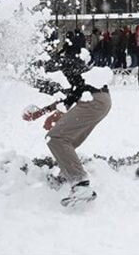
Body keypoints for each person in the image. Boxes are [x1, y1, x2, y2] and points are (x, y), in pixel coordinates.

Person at [22, 33, 111, 207]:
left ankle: (80, 184)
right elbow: (73, 93)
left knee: (56, 138)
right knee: (65, 142)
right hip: (102, 101)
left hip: (92, 101)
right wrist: (42, 112)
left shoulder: (68, 61)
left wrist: (54, 113)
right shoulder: (79, 60)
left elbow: (75, 92)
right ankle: (64, 174)